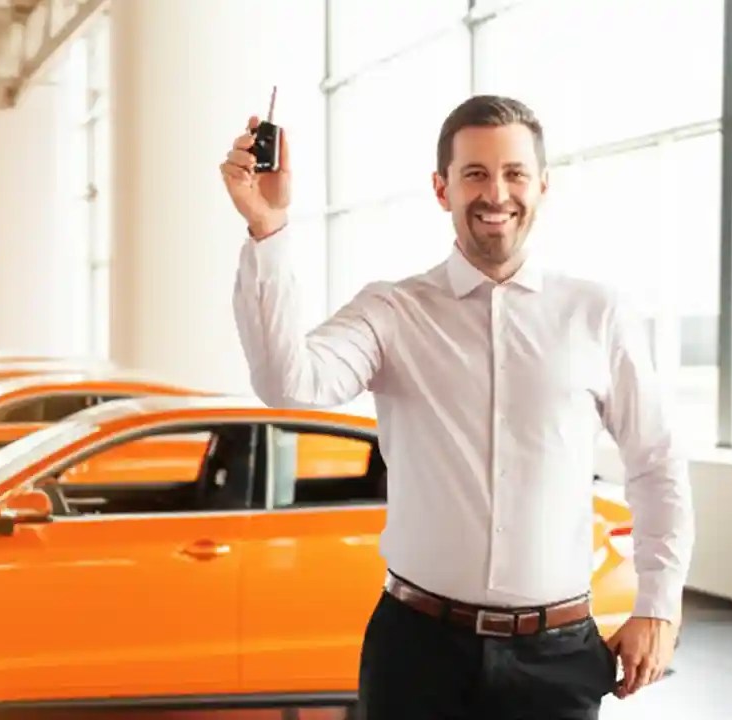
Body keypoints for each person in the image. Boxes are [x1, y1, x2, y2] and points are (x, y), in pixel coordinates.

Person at [221, 94, 694, 719]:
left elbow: (656, 463)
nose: (495, 193)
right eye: (474, 174)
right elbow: (288, 382)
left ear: (542, 186)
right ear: (442, 189)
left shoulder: (598, 314)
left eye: (514, 173)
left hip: (556, 661)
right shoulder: (392, 311)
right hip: (417, 652)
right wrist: (268, 227)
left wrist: (658, 604)